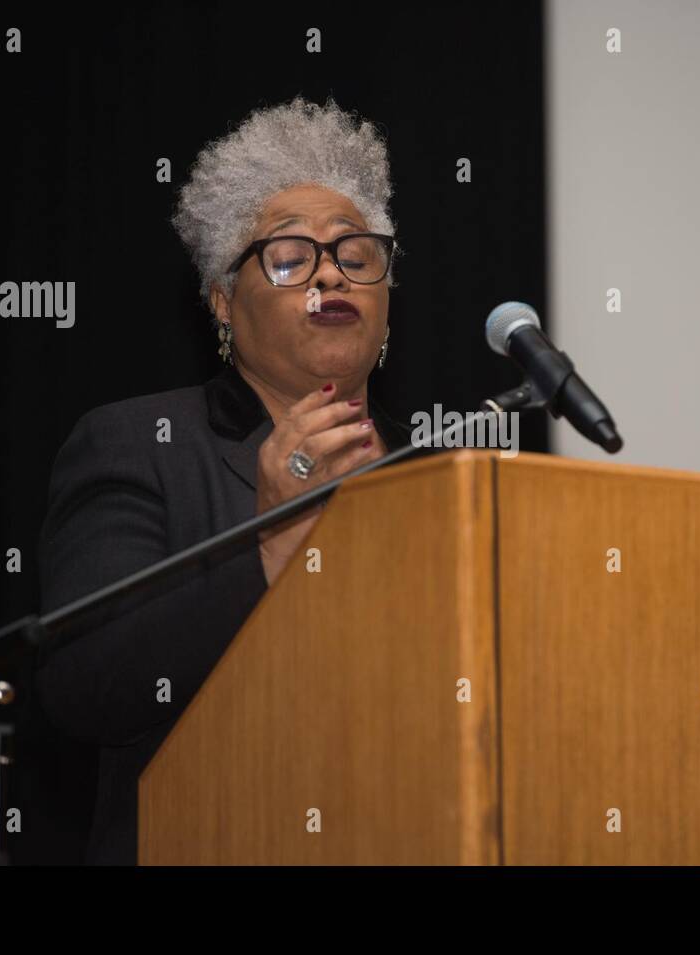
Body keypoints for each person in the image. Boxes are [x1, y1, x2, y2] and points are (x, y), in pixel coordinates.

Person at [34, 95, 411, 865]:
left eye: (354, 252)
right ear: (222, 303)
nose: (330, 274)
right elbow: (83, 681)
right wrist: (269, 548)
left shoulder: (440, 485)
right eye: (290, 256)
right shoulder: (139, 446)